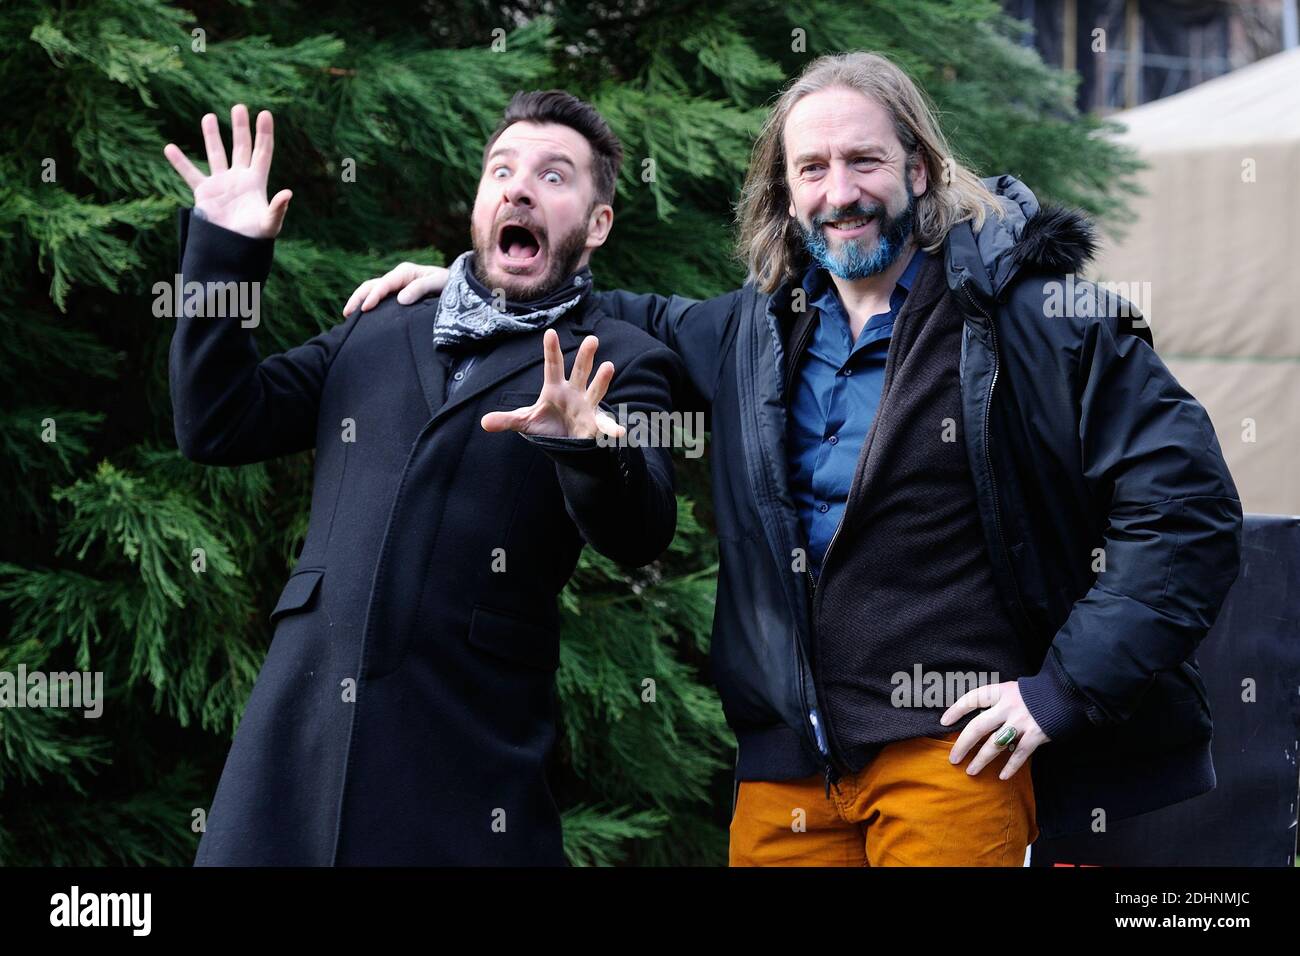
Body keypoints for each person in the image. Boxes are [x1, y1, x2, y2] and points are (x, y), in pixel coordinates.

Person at [345, 52, 1243, 866]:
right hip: (785, 777)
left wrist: (1063, 689)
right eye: (811, 169)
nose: (838, 191)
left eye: (864, 162)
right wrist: (477, 286)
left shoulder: (1035, 318)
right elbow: (623, 310)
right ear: (785, 190)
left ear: (919, 169)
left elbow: (1187, 507)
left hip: (952, 756)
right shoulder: (754, 332)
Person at [164, 91, 681, 865]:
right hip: (291, 758)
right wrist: (224, 255)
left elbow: (641, 529)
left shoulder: (617, 357)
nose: (519, 188)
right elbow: (216, 423)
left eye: (553, 176)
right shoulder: (379, 326)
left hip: (465, 775)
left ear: (597, 223)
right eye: (502, 170)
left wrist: (589, 447)